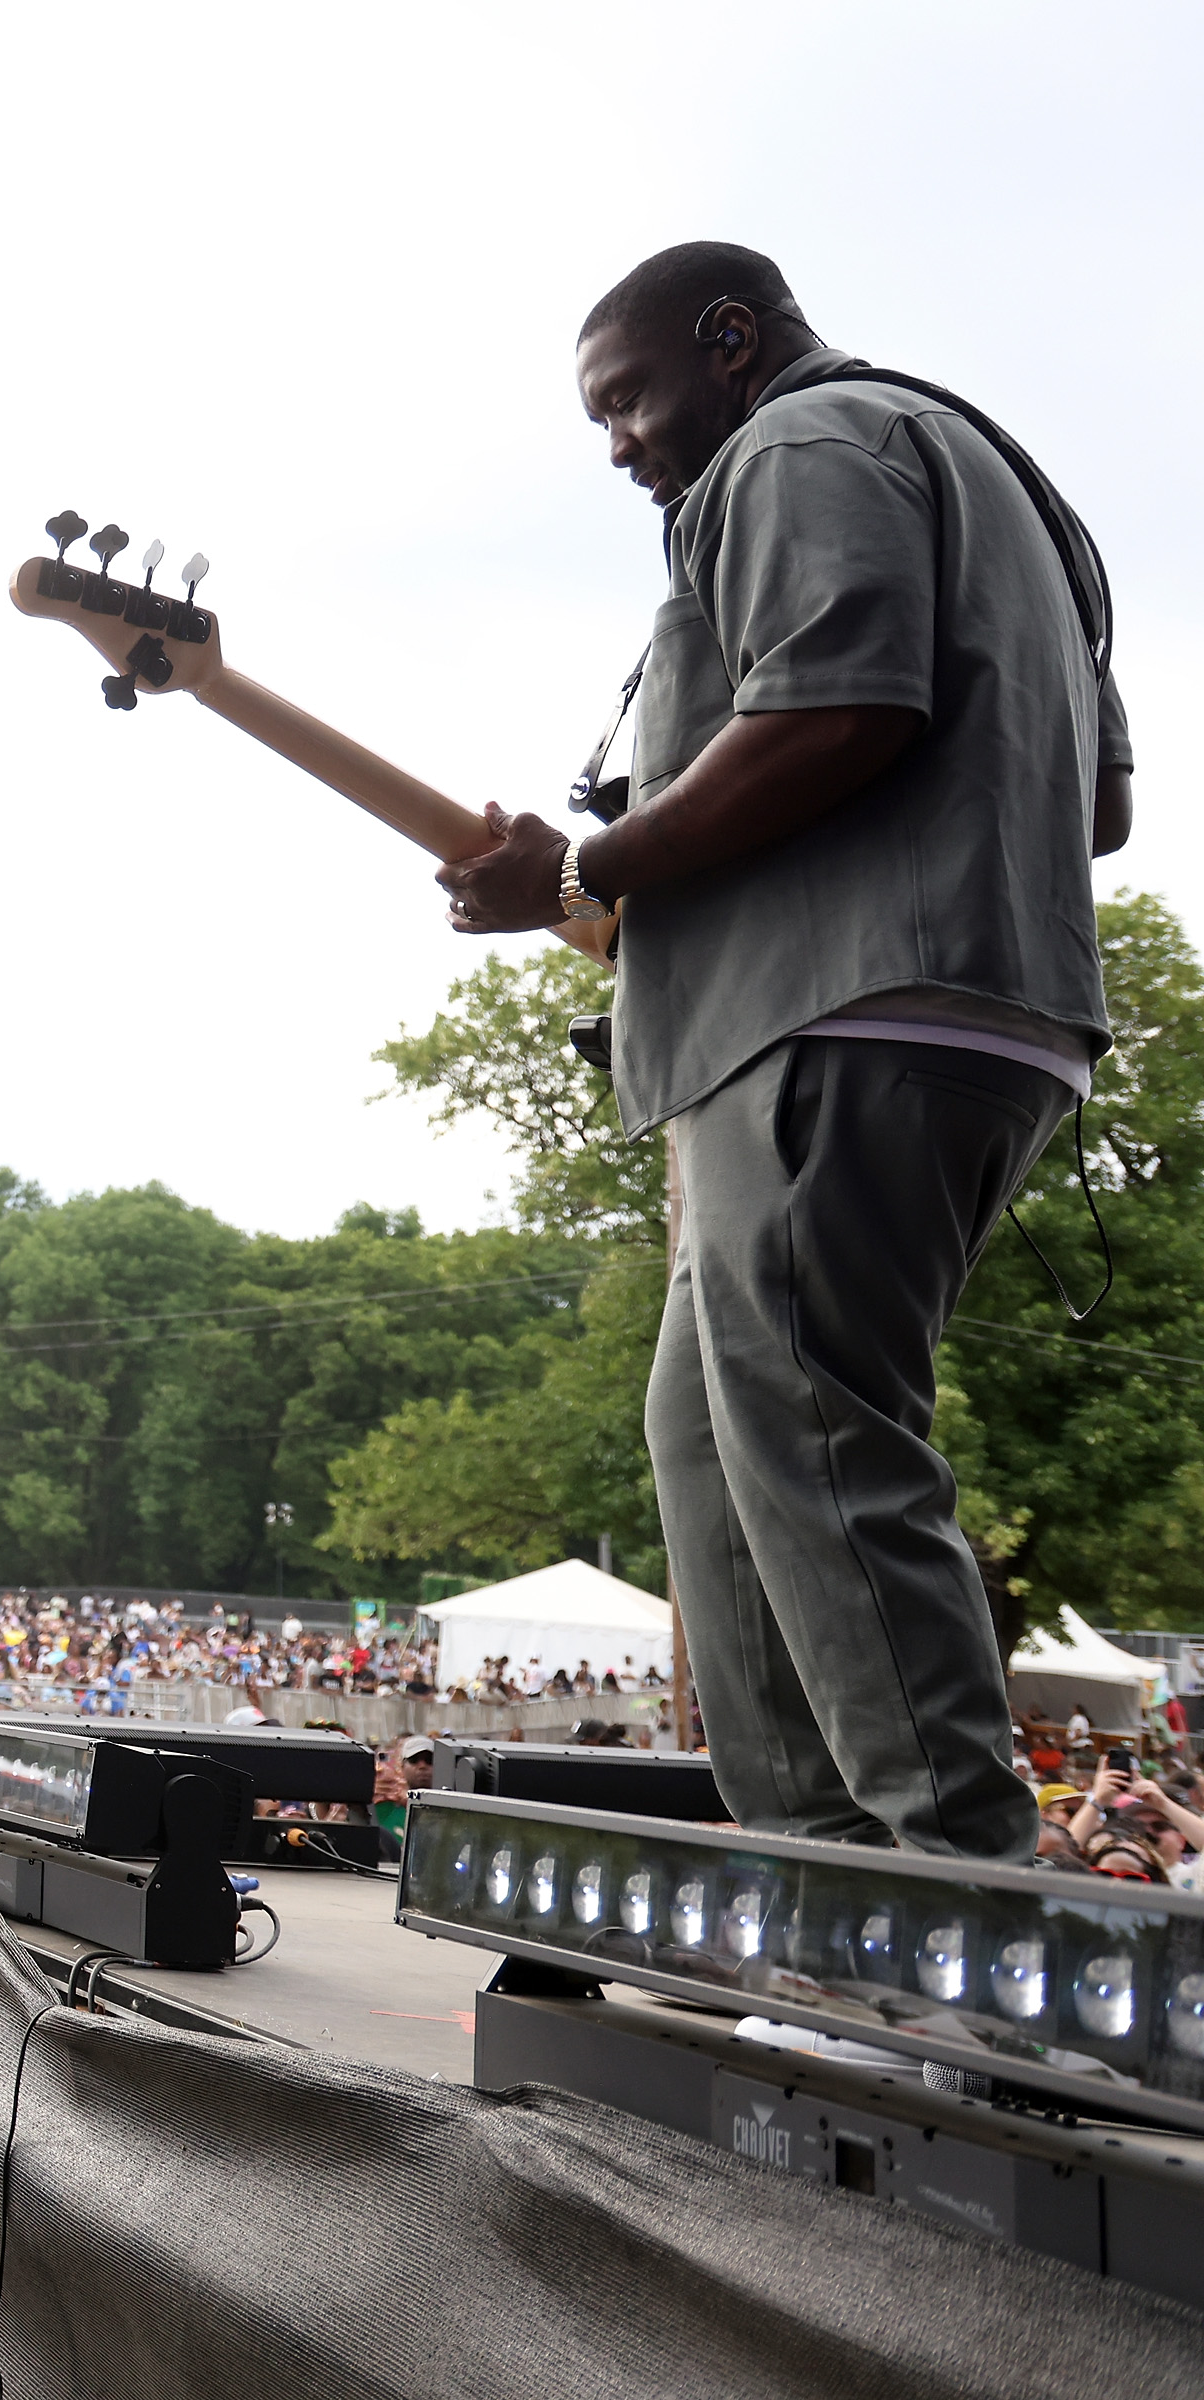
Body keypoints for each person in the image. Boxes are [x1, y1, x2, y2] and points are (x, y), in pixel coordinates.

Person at [436, 242, 1128, 1862]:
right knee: (710, 1440)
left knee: (817, 1435)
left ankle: (955, 1901)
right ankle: (822, 1883)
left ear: (731, 339)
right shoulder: (1019, 498)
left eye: (627, 401)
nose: (619, 444)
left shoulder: (801, 442)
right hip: (978, 1016)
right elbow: (1096, 806)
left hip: (843, 1014)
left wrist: (585, 870)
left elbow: (837, 713)